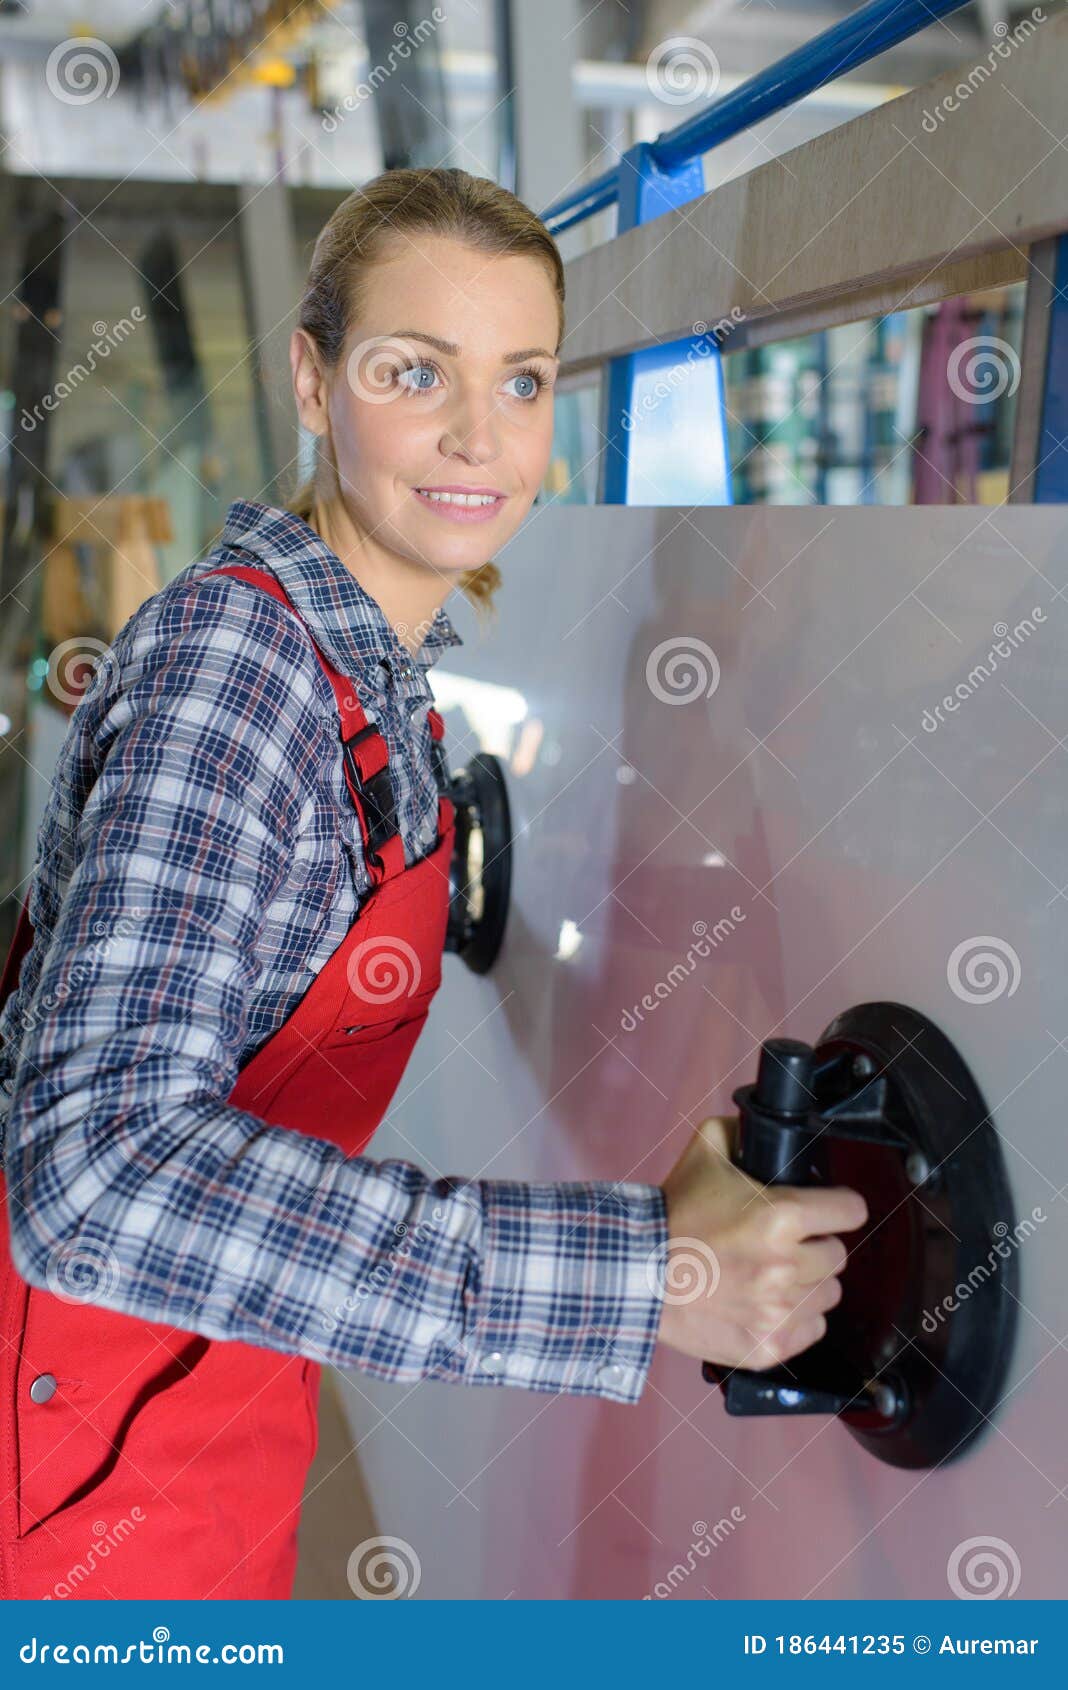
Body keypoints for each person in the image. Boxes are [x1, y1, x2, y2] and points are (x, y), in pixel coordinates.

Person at [0, 166, 867, 1601]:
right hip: (75, 1475)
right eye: (417, 371)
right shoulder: (243, 670)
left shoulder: (377, 688)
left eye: (522, 382)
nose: (481, 434)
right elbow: (91, 1176)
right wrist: (646, 1273)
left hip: (195, 1404)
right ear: (313, 378)